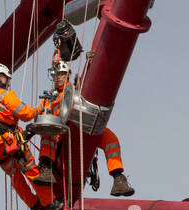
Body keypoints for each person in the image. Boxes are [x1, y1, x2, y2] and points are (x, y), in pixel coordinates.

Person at [34, 58, 135, 198]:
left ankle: (118, 176)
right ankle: (45, 168)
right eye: (56, 75)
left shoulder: (76, 89)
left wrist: (90, 64)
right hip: (61, 130)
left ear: (68, 75)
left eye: (62, 74)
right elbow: (41, 113)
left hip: (81, 123)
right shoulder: (49, 98)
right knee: (48, 135)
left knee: (110, 138)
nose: (59, 77)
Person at [0, 64, 63, 210]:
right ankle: (51, 204)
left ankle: (34, 205)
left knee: (15, 175)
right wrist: (39, 111)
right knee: (31, 170)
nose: (8, 83)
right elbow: (24, 113)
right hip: (10, 141)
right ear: (1, 78)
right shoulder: (4, 95)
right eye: (7, 80)